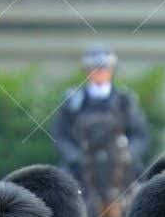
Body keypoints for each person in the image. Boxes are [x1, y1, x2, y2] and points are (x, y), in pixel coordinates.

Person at [50, 45, 150, 185]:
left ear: (111, 70)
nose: (100, 72)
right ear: (87, 71)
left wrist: (127, 155)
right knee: (60, 191)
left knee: (142, 190)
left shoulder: (124, 100)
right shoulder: (73, 100)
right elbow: (60, 134)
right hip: (81, 165)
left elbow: (139, 134)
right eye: (95, 68)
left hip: (119, 164)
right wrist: (75, 157)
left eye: (104, 68)